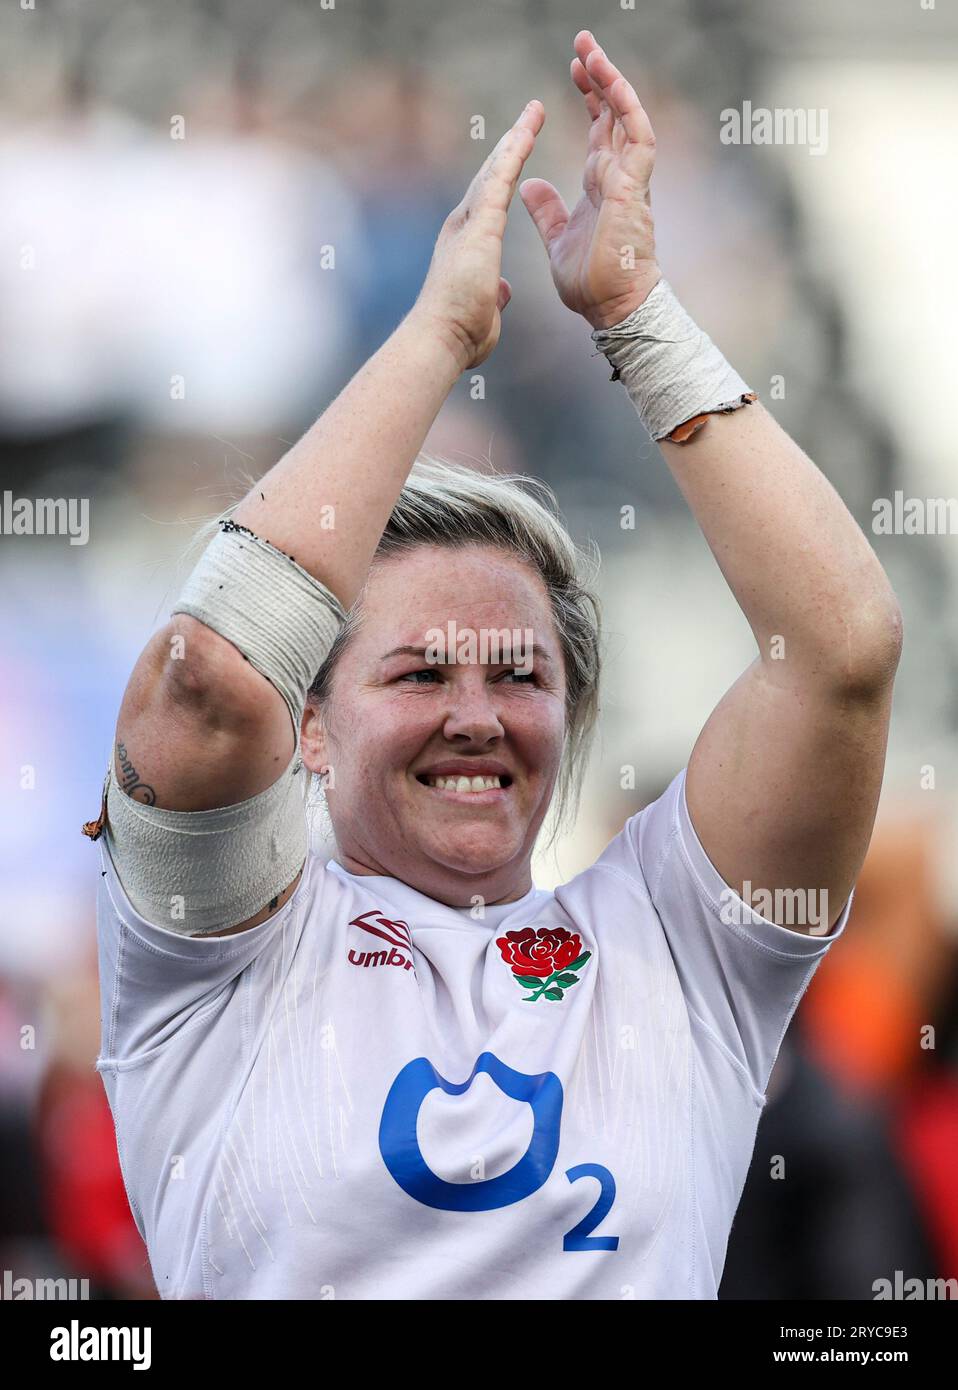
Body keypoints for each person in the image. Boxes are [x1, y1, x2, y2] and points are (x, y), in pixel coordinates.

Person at [83, 31, 902, 1300]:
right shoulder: (219, 954)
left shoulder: (678, 948)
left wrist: (635, 315)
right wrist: (439, 336)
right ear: (310, 723)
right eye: (418, 674)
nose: (475, 714)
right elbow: (204, 680)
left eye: (518, 674)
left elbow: (841, 649)